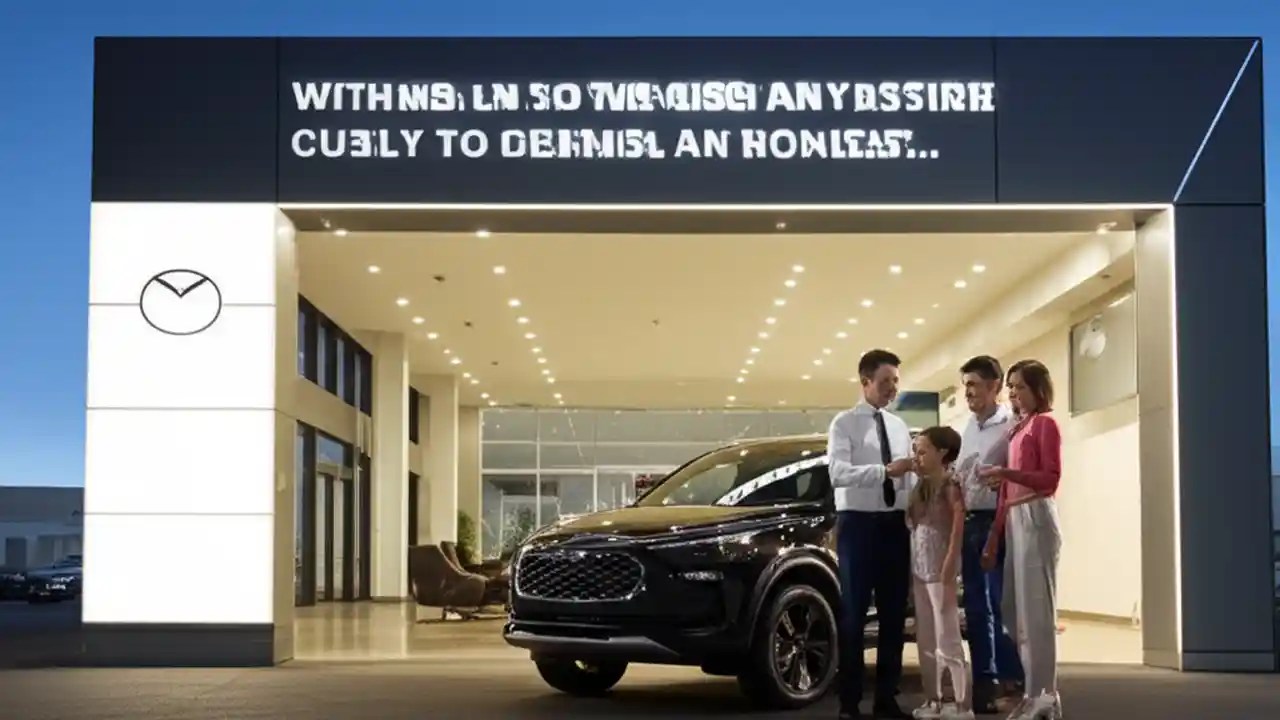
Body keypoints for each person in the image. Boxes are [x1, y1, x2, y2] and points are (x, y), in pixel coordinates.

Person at [828, 349, 915, 719]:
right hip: (858, 526)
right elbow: (838, 473)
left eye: (895, 381)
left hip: (895, 527)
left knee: (895, 615)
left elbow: (908, 478)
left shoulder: (899, 427)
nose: (892, 388)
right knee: (854, 615)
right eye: (884, 382)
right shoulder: (843, 424)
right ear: (865, 382)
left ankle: (886, 696)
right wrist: (884, 471)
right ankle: (849, 701)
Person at [979, 360, 1063, 720]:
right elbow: (1003, 489)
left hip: (1035, 516)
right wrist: (993, 538)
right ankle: (1034, 691)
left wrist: (1006, 472)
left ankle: (1045, 694)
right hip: (1014, 517)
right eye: (1010, 386)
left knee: (1038, 613)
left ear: (1038, 389)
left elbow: (1049, 479)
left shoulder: (1045, 424)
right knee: (1016, 612)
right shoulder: (1018, 429)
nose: (1013, 393)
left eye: (1020, 386)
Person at [954, 356, 1024, 713]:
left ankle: (1010, 677)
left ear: (995, 386)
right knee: (976, 608)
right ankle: (985, 679)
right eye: (965, 385)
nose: (968, 392)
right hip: (968, 522)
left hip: (997, 522)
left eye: (974, 385)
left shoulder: (1010, 426)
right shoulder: (968, 427)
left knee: (999, 603)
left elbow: (1018, 475)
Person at [906, 426, 974, 720]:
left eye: (922, 452)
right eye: (915, 452)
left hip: (939, 565)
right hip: (920, 568)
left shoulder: (950, 485)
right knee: (926, 636)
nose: (917, 458)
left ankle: (961, 703)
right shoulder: (919, 487)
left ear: (942, 453)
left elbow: (958, 524)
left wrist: (950, 561)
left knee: (947, 634)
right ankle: (934, 699)